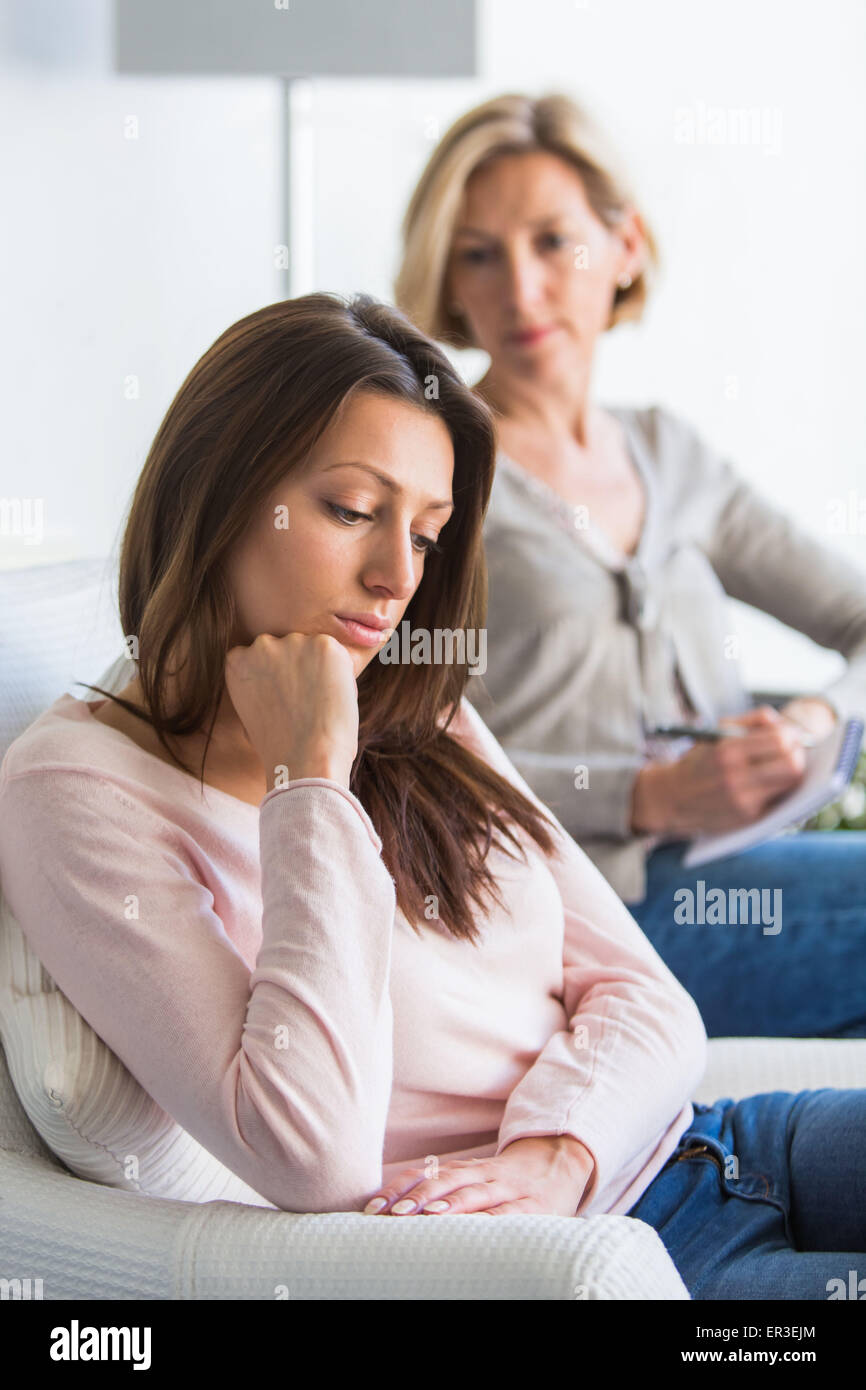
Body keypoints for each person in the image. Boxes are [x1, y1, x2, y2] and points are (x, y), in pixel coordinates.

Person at [0, 292, 863, 1299]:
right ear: (217, 493)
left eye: (423, 534)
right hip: (595, 1263)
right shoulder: (79, 789)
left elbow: (649, 999)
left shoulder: (419, 712)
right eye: (353, 510)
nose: (390, 578)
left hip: (710, 1144)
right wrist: (308, 781)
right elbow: (307, 1149)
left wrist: (557, 1156)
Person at [394, 91, 866, 1039]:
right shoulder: (427, 466)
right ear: (447, 277)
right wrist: (639, 795)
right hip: (579, 914)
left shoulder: (670, 453)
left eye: (552, 242)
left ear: (627, 247)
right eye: (480, 254)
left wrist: (819, 719)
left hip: (739, 870)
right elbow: (389, 744)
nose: (520, 291)